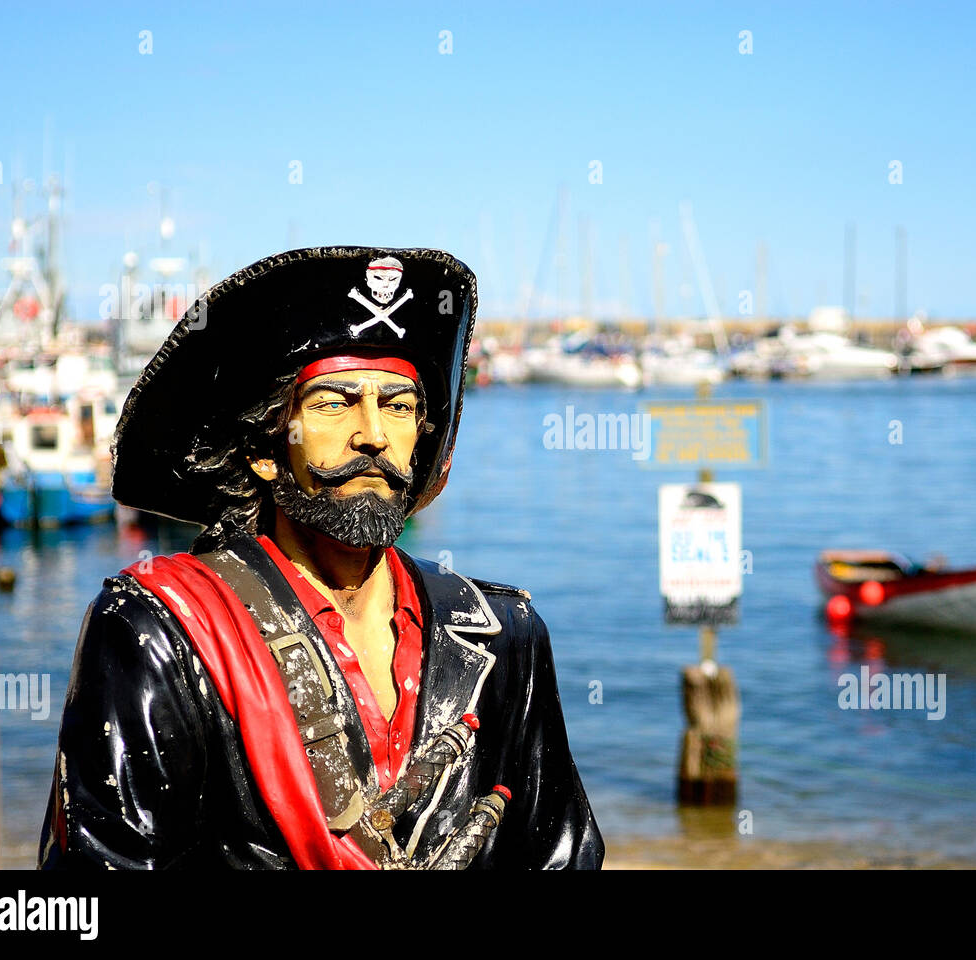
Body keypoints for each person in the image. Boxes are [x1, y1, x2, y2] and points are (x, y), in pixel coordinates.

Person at [39, 247, 603, 869]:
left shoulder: (504, 636)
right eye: (334, 403)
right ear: (264, 449)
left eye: (399, 405)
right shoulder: (162, 631)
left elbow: (560, 856)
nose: (374, 435)